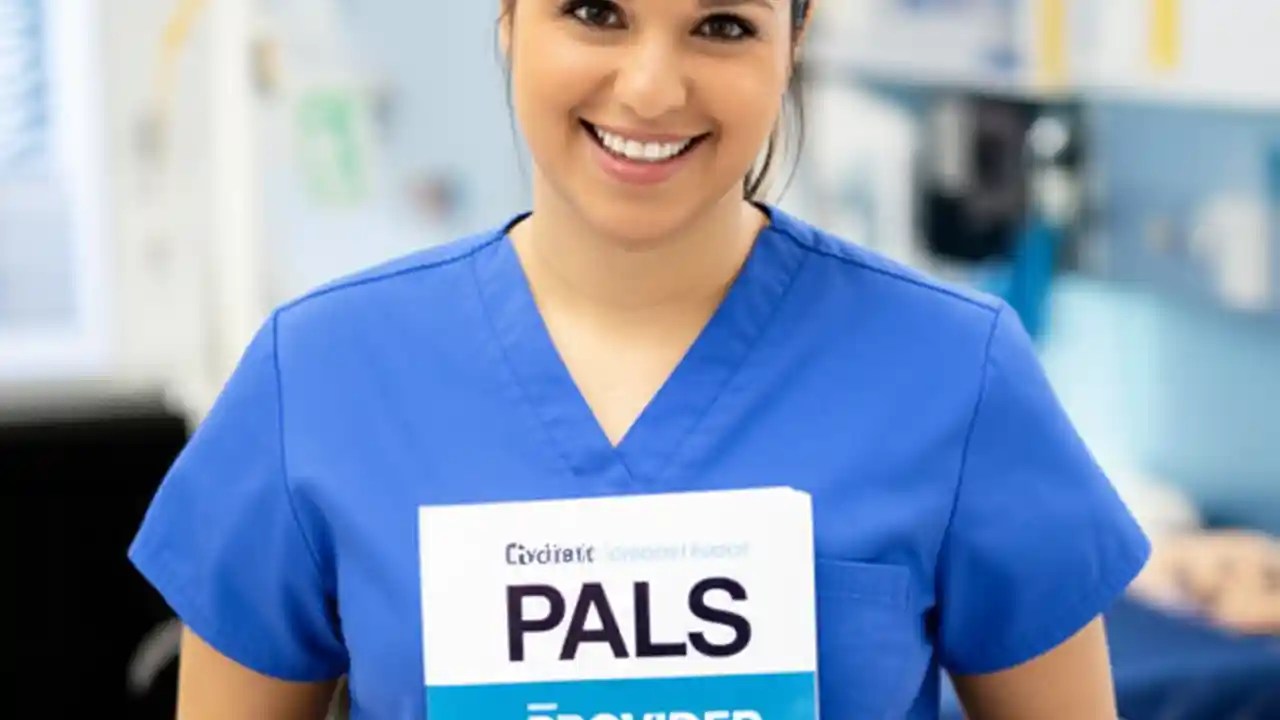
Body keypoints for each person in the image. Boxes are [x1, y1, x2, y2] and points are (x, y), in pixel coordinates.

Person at [127, 0, 1152, 717]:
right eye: (594, 12)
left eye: (722, 25)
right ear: (507, 18)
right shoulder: (321, 378)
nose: (651, 89)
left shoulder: (952, 374)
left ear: (793, 40)